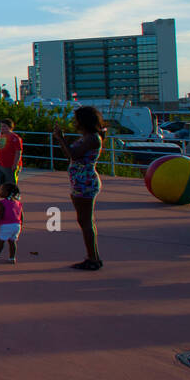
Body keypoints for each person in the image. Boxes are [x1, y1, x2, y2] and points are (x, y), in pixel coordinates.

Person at [52, 106, 107, 270]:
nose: (74, 122)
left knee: (86, 221)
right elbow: (70, 154)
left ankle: (92, 259)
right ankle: (94, 257)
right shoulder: (89, 137)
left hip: (85, 182)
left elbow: (73, 155)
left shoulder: (92, 138)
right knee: (85, 221)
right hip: (81, 181)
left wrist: (60, 138)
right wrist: (61, 139)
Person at [0, 183, 23, 264]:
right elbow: (21, 215)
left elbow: (0, 214)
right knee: (12, 242)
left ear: (7, 193)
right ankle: (12, 258)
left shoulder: (2, 202)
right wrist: (21, 225)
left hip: (6, 225)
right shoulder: (18, 203)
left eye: (1, 190)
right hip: (17, 225)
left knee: (1, 241)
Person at [0, 118, 23, 188]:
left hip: (10, 165)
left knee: (11, 183)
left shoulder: (15, 138)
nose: (2, 128)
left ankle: (12, 196)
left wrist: (15, 164)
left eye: (4, 126)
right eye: (1, 126)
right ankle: (4, 192)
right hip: (1, 163)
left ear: (10, 127)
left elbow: (18, 151)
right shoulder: (1, 137)